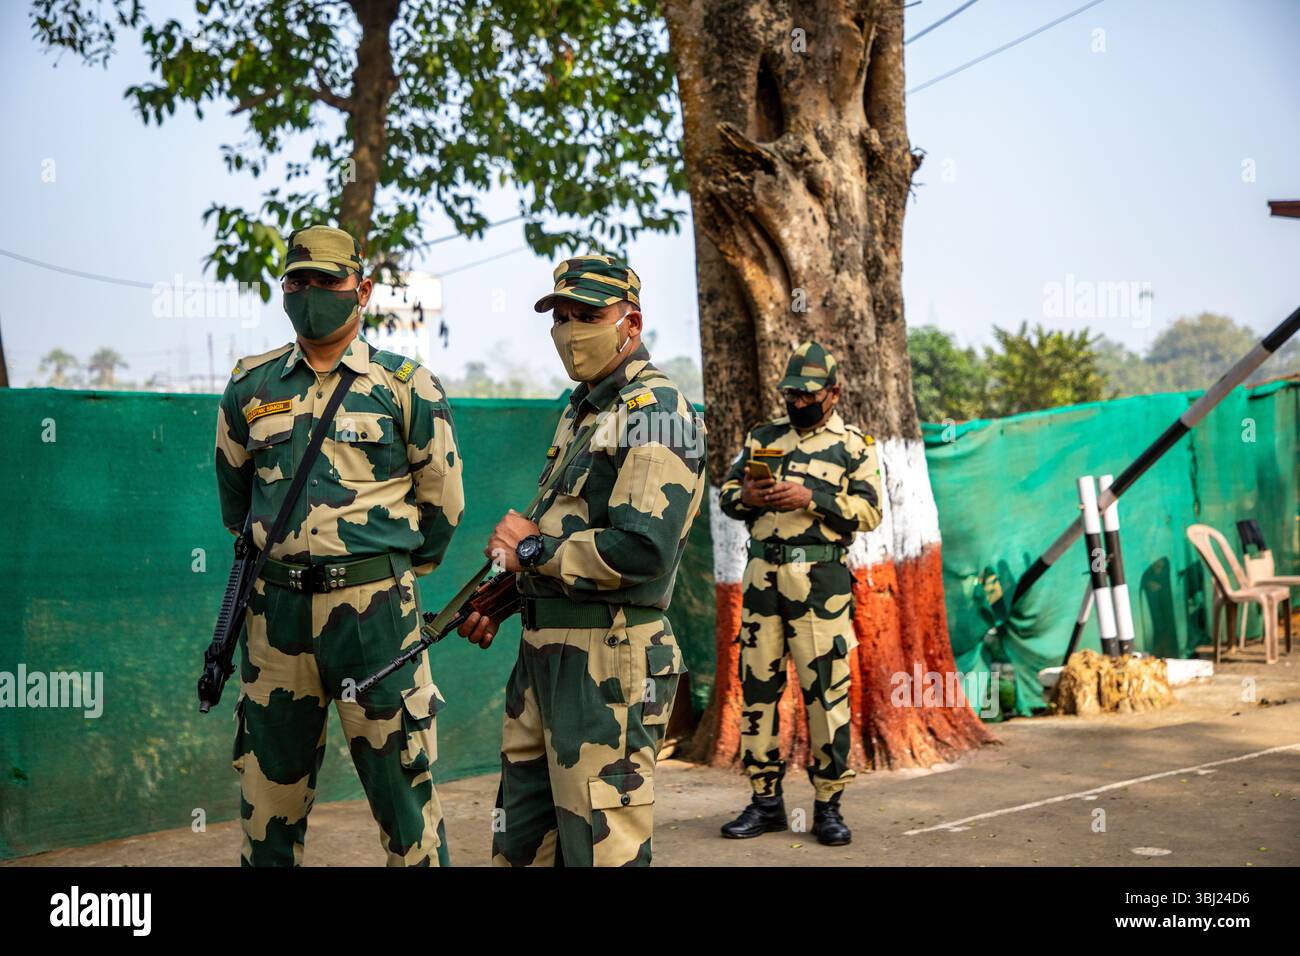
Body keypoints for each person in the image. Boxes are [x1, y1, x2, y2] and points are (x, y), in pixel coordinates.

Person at [213, 224, 464, 866]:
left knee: (404, 803)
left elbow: (442, 506)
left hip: (378, 616)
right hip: (277, 621)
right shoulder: (251, 386)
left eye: (328, 280)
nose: (312, 292)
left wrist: (386, 569)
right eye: (299, 281)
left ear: (362, 288)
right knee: (267, 807)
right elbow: (239, 504)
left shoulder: (407, 386)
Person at [457, 254, 708, 866]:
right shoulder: (584, 408)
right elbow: (574, 526)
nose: (570, 331)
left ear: (631, 322)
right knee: (523, 845)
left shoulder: (658, 413)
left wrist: (531, 551)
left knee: (603, 851)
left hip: (610, 661)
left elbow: (642, 549)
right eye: (561, 317)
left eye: (588, 315)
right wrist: (508, 595)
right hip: (545, 656)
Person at [716, 341, 883, 846]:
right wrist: (746, 495)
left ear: (833, 393)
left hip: (821, 586)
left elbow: (870, 512)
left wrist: (813, 498)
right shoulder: (764, 438)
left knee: (826, 696)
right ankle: (765, 801)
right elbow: (727, 495)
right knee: (759, 693)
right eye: (790, 393)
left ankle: (829, 806)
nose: (797, 402)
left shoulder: (854, 445)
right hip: (763, 580)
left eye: (807, 394)